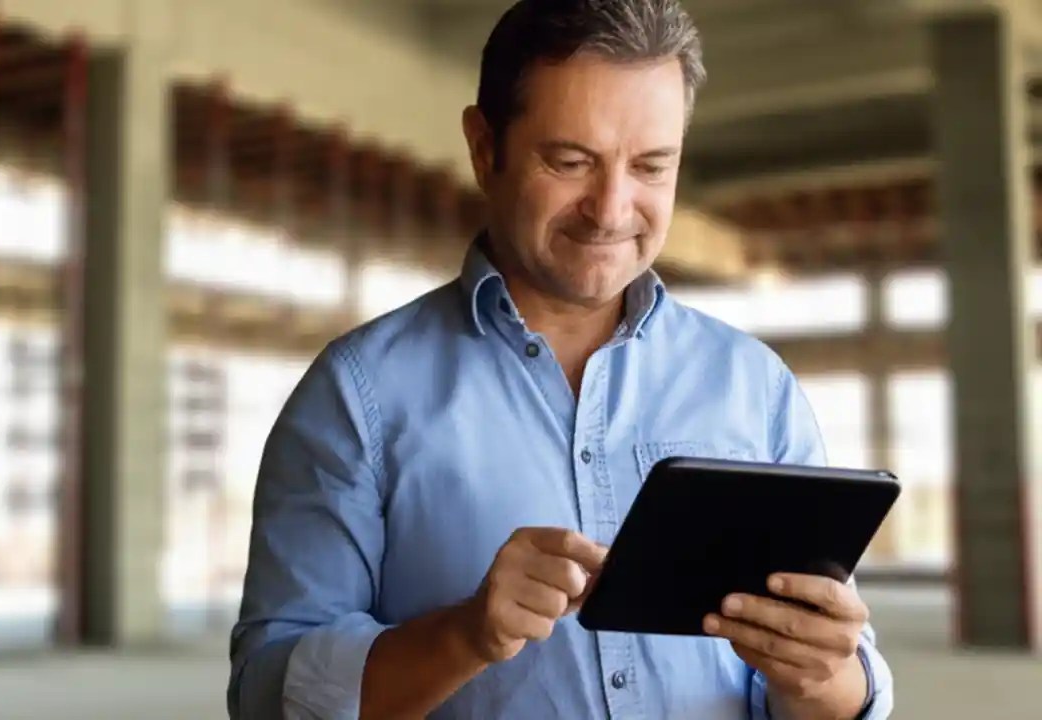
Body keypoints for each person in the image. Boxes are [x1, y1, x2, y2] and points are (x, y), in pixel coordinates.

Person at [227, 0, 894, 717]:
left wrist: (825, 676)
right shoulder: (358, 395)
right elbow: (269, 694)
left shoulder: (756, 389)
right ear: (485, 149)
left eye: (650, 166)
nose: (611, 209)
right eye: (570, 161)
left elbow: (833, 687)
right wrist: (465, 634)